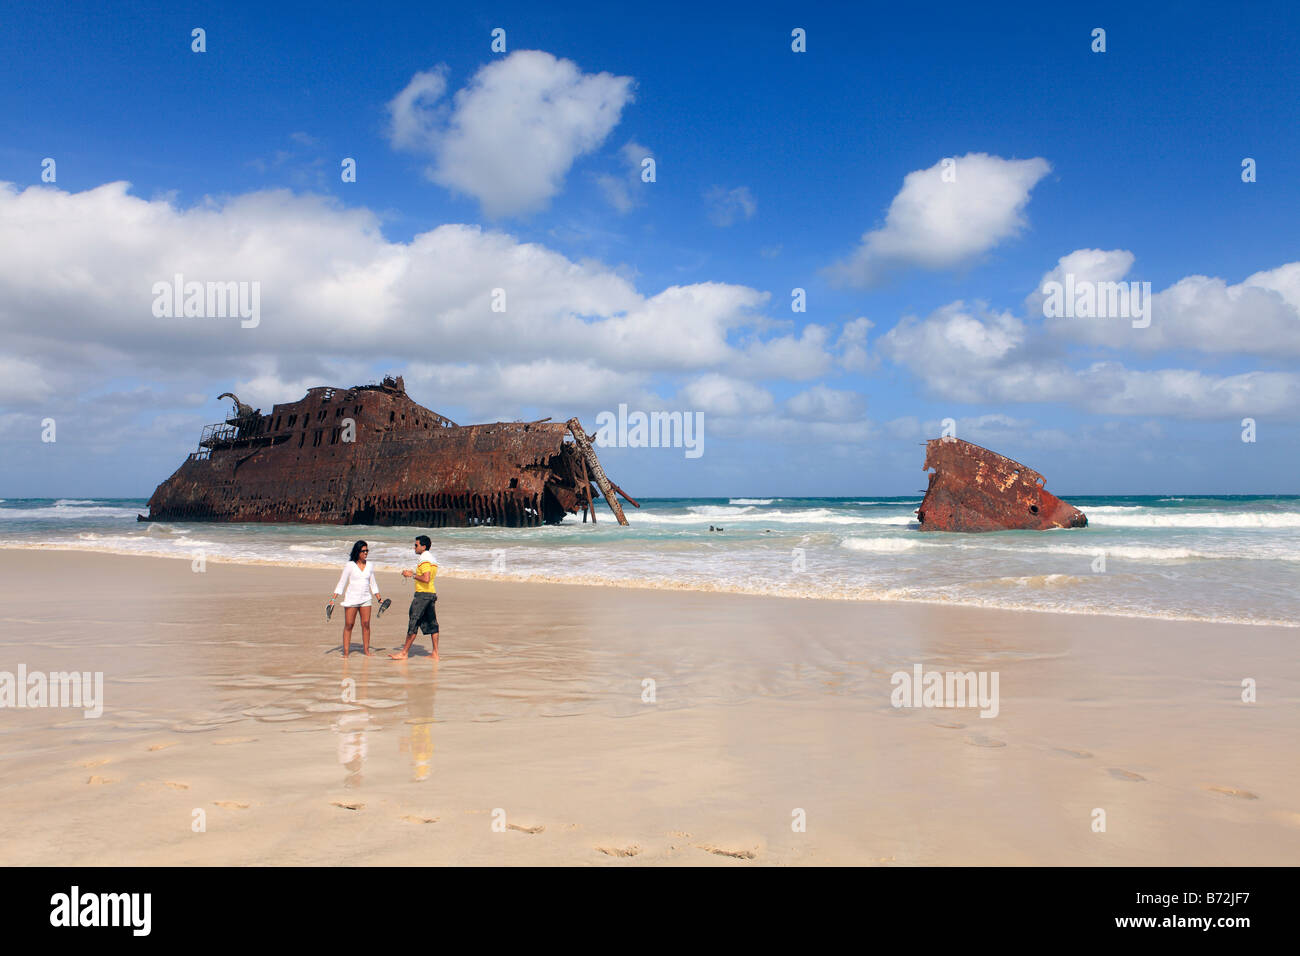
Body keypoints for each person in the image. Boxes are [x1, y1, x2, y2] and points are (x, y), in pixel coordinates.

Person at [390, 535, 439, 660]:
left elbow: (426, 579)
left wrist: (411, 575)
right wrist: (414, 574)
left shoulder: (424, 559)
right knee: (432, 623)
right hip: (431, 594)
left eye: (416, 545)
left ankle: (404, 653)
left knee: (414, 622)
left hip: (422, 595)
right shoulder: (432, 558)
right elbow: (427, 577)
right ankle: (435, 653)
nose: (414, 547)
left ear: (423, 546)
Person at [331, 540, 382, 657]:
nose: (366, 553)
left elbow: (373, 583)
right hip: (351, 599)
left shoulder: (369, 565)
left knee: (366, 624)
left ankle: (366, 651)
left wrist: (379, 598)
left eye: (367, 550)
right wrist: (333, 599)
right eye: (363, 551)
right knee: (349, 624)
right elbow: (342, 582)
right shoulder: (350, 565)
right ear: (357, 552)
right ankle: (346, 652)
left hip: (366, 599)